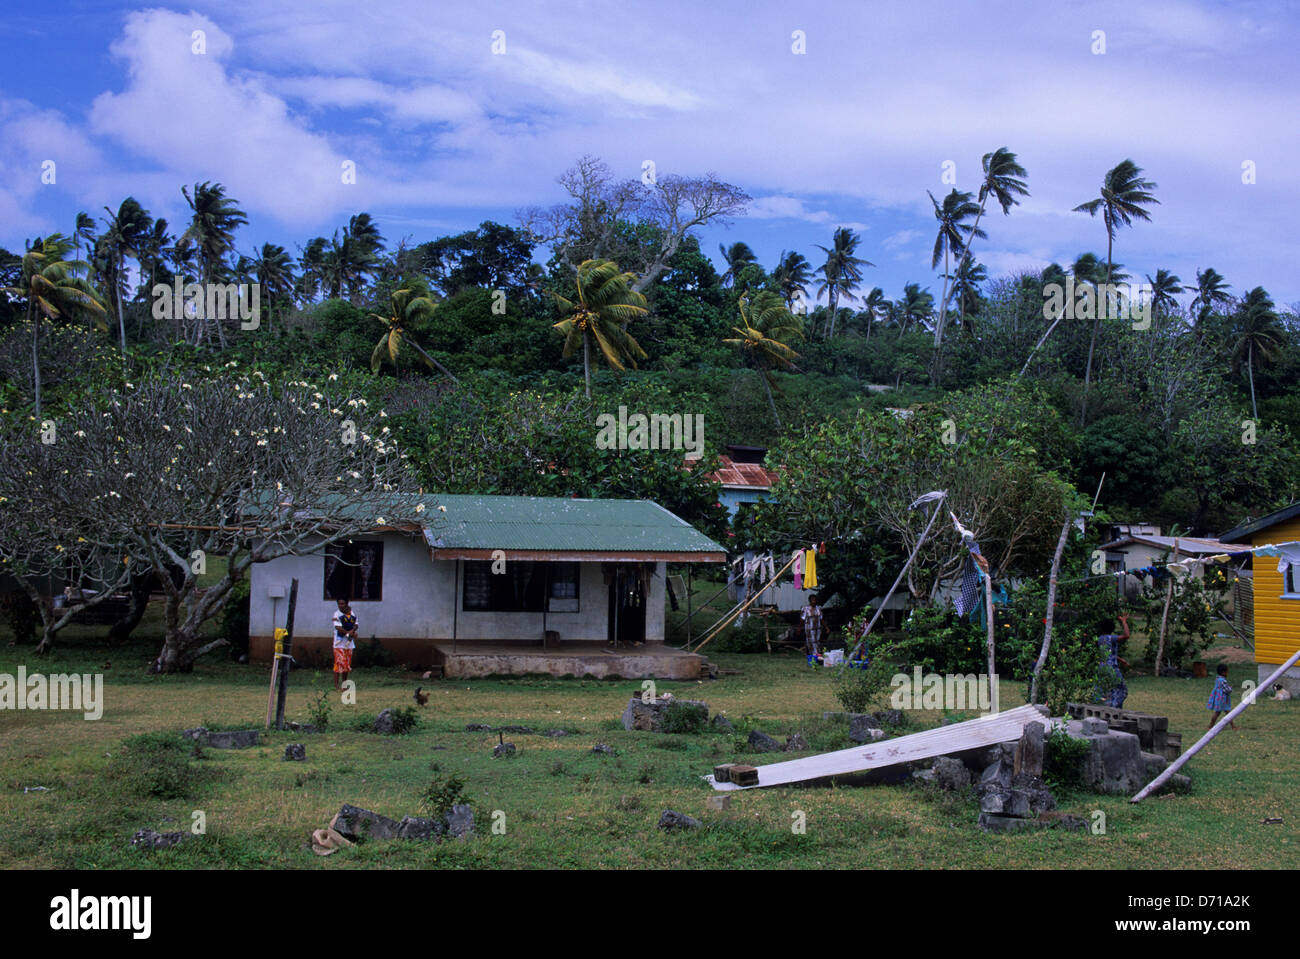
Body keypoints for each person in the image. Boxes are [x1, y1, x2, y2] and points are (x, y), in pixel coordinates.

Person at [1096, 612, 1130, 708]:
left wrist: (1120, 660)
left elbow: (1108, 654)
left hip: (1102, 668)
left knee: (1106, 691)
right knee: (1122, 690)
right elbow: (1126, 635)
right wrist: (1124, 622)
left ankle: (1105, 706)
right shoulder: (1111, 638)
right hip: (1112, 669)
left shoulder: (1100, 639)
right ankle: (1113, 708)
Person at [332, 597, 357, 691]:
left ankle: (344, 685)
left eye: (342, 603)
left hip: (349, 644)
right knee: (338, 664)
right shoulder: (336, 614)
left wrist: (352, 631)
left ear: (346, 604)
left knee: (346, 665)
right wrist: (348, 633)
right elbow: (338, 627)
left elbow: (356, 624)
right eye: (339, 604)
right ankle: (336, 686)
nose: (341, 605)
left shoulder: (351, 613)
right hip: (338, 644)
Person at [1207, 663, 1237, 730]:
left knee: (1218, 713)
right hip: (1223, 700)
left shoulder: (1217, 679)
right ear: (1223, 672)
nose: (1227, 673)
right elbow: (1227, 690)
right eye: (1227, 672)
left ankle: (1210, 726)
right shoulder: (1223, 681)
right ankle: (1233, 726)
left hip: (1219, 699)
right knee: (1227, 713)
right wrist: (1231, 688)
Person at [801, 594, 824, 663]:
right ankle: (814, 656)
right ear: (810, 601)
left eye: (815, 600)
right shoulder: (805, 609)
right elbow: (802, 619)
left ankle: (817, 656)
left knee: (817, 642)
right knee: (811, 642)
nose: (814, 601)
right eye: (812, 600)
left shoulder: (818, 608)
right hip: (809, 629)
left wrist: (826, 627)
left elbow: (821, 619)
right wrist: (799, 628)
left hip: (817, 629)